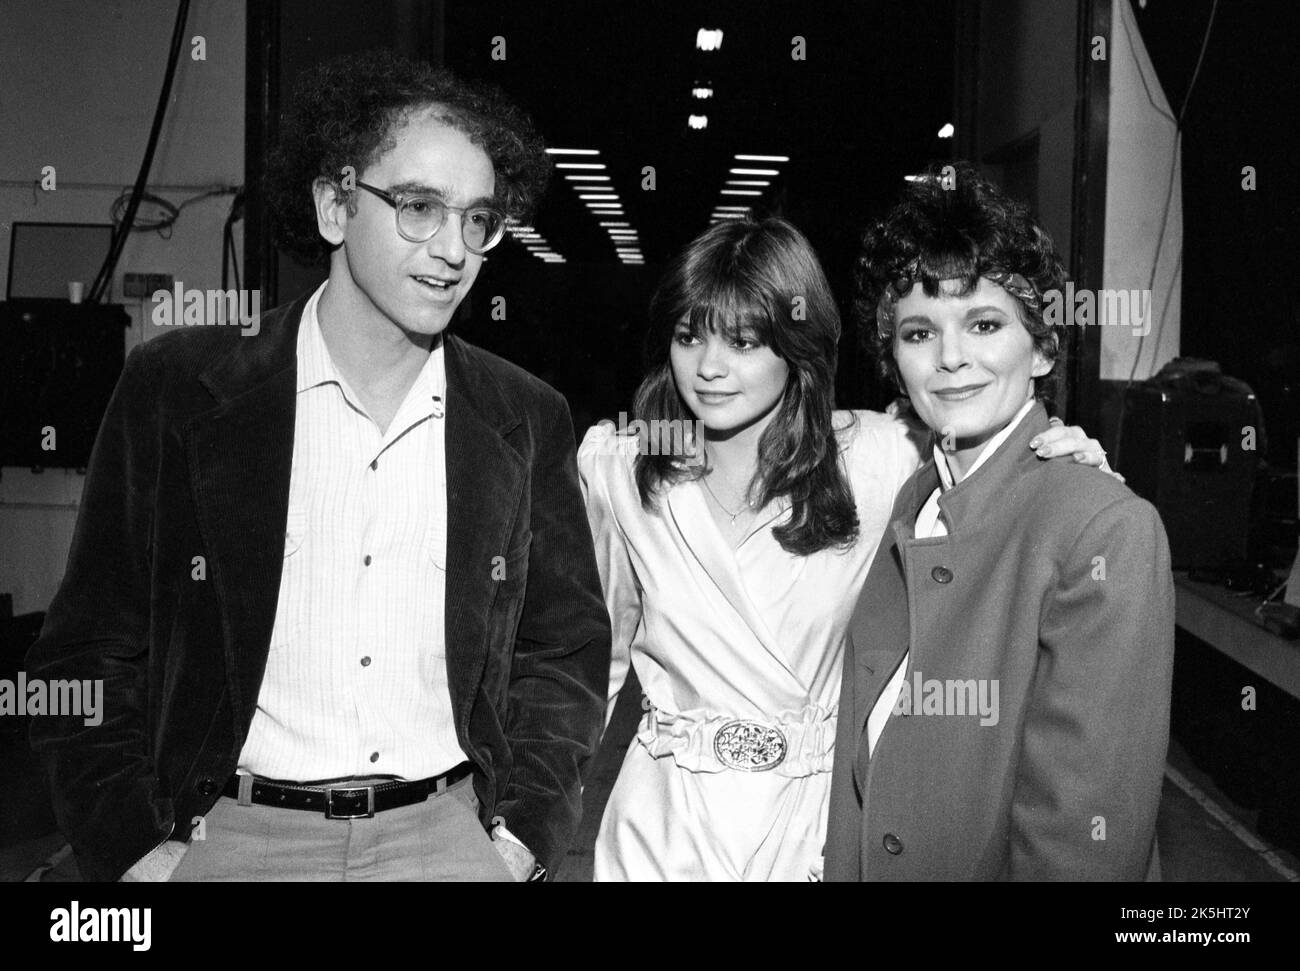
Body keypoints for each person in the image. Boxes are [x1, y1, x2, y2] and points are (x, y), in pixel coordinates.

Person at [26, 51, 610, 882]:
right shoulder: (180, 390)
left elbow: (565, 652)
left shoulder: (525, 417)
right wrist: (128, 850)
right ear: (335, 205)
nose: (453, 248)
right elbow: (84, 652)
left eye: (477, 219)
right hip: (229, 840)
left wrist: (519, 841)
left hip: (445, 843)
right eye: (418, 207)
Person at [578, 216, 1108, 881]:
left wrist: (1065, 456)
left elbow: (991, 459)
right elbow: (595, 664)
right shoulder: (621, 468)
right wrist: (528, 816)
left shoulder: (881, 456)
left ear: (796, 345)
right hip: (661, 829)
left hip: (812, 827)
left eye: (744, 341)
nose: (709, 368)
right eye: (689, 336)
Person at [825, 162, 1174, 880]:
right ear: (892, 362)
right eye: (918, 333)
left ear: (1043, 345)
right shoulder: (912, 496)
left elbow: (1079, 842)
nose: (951, 358)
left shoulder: (1102, 527)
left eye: (984, 324)